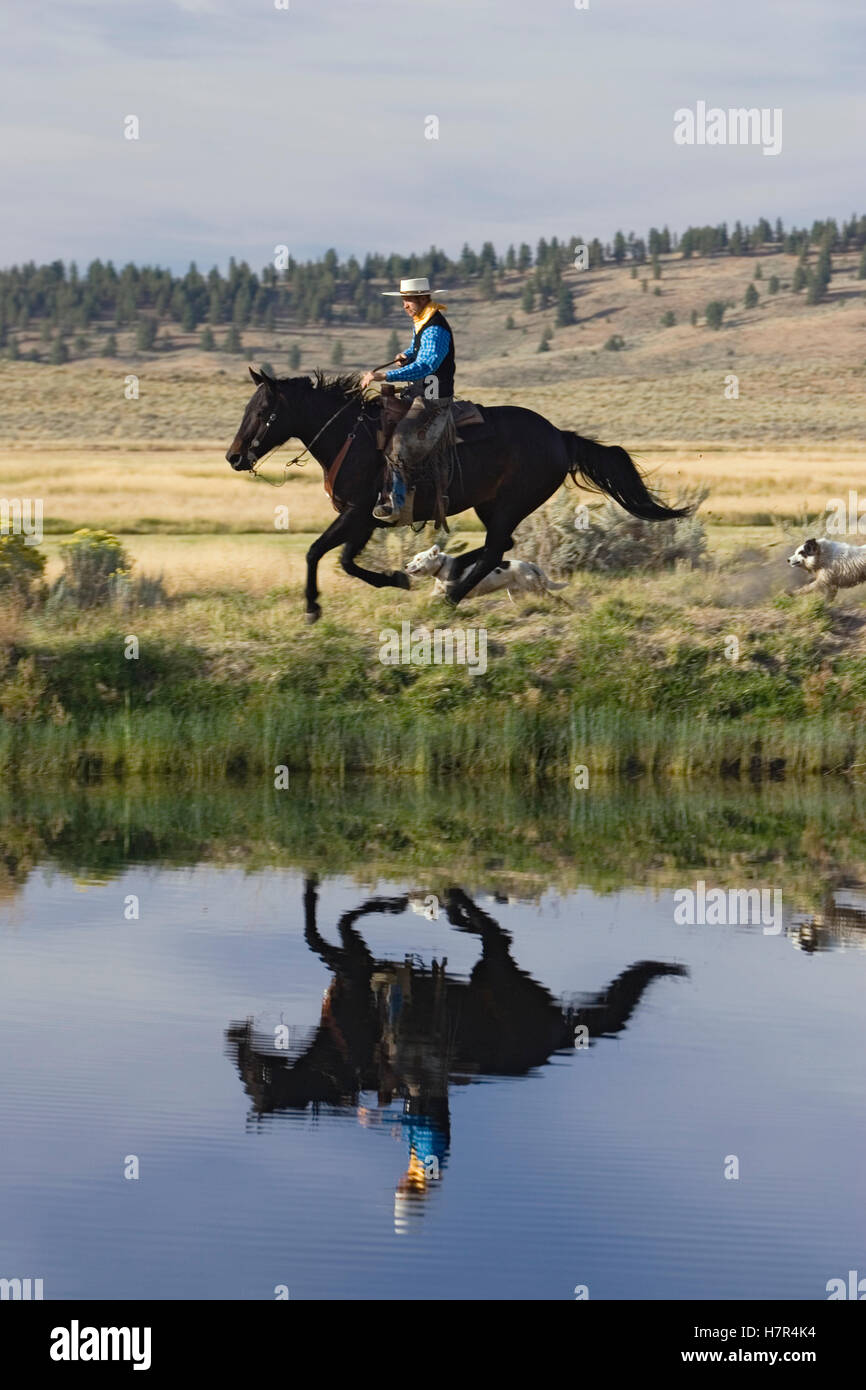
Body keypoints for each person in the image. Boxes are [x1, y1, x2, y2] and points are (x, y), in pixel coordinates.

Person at [360, 277, 456, 524]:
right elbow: (418, 351)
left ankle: (397, 505)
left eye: (409, 299)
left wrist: (384, 375)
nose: (404, 305)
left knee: (399, 440)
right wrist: (407, 354)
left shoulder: (435, 327)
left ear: (424, 299)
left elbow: (426, 366)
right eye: (403, 299)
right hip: (419, 392)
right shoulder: (421, 321)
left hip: (433, 397)